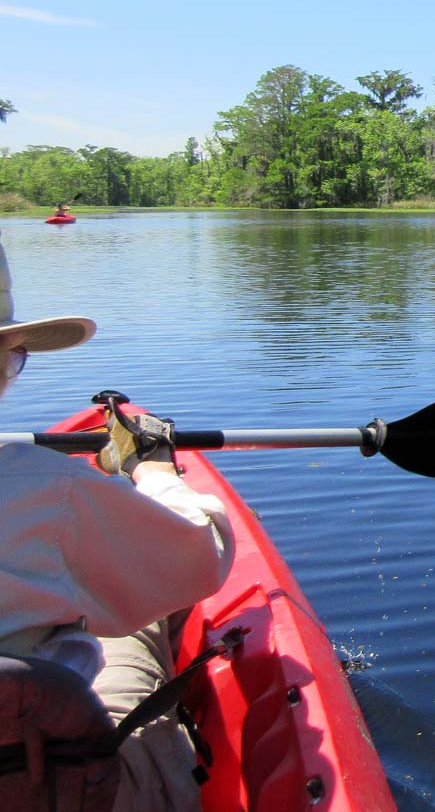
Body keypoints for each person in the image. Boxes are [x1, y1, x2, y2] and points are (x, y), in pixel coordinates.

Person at [0, 236, 234, 810]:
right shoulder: (42, 487)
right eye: (9, 357)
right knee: (136, 622)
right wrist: (153, 470)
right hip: (46, 788)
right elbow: (203, 556)